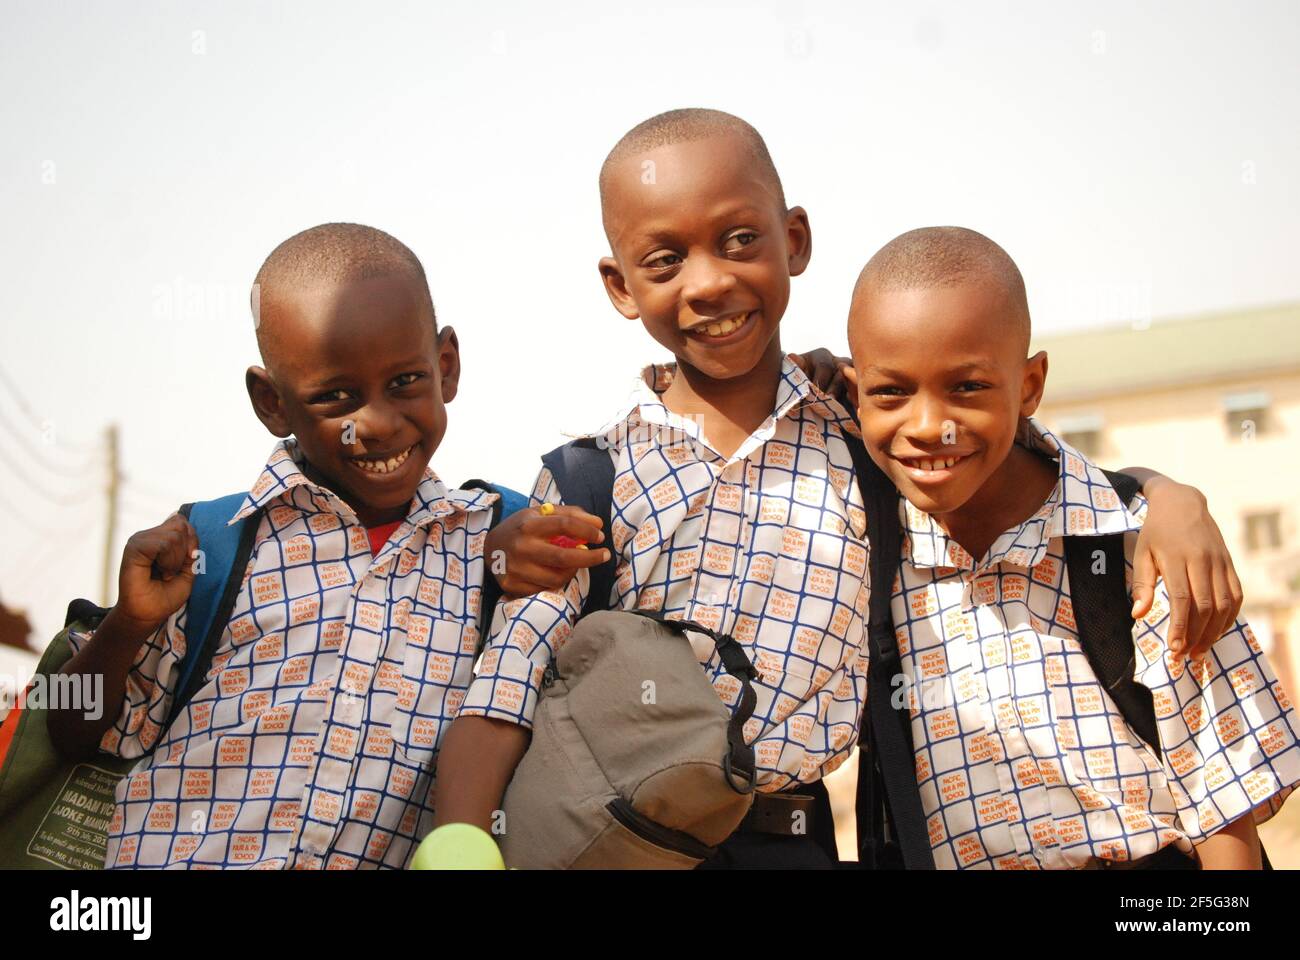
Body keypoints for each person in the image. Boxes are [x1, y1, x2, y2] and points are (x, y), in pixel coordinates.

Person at [435, 109, 1244, 868]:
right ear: (620, 286)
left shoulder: (861, 434)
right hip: (623, 842)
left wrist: (1164, 494)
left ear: (795, 240)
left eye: (740, 238)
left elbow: (1007, 463)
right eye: (666, 259)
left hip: (797, 840)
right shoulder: (586, 477)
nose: (710, 283)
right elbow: (506, 682)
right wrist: (461, 840)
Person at [45, 222, 606, 869]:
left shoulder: (497, 540)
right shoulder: (212, 546)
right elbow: (72, 734)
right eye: (335, 398)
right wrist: (128, 623)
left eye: (404, 382)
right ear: (271, 402)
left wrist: (503, 558)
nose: (376, 422)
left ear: (446, 366)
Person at [843, 225, 1299, 868]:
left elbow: (1226, 815)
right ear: (854, 390)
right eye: (891, 391)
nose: (928, 426)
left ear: (1029, 386)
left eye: (968, 387)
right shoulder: (861, 555)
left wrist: (1165, 494)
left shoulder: (1140, 551)